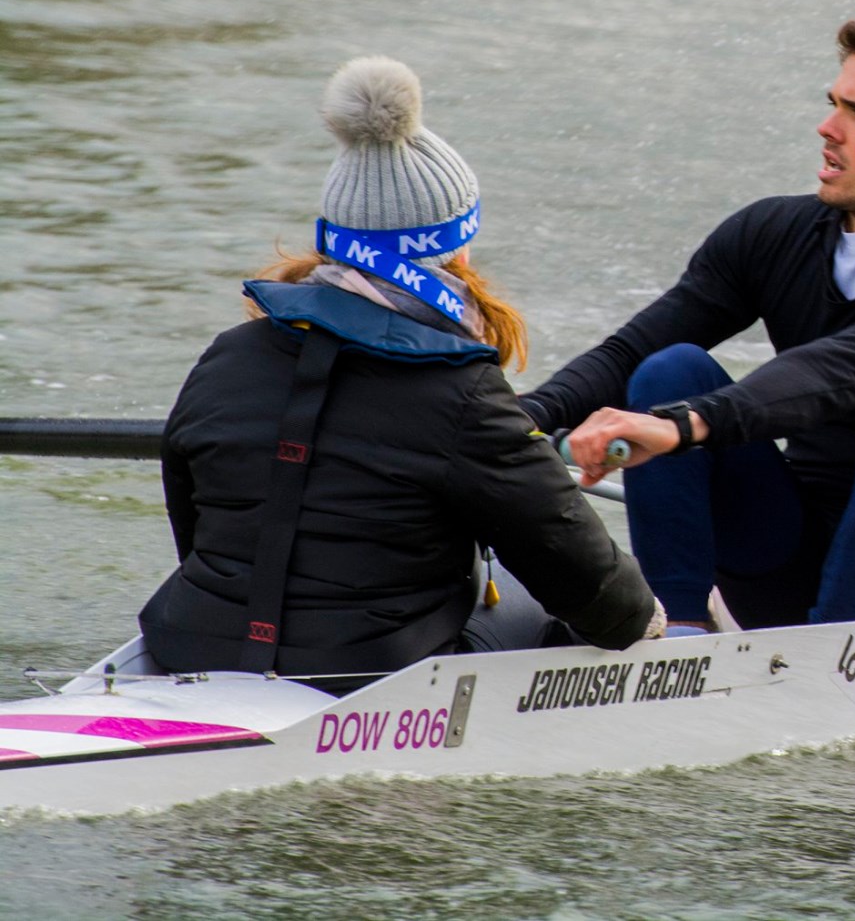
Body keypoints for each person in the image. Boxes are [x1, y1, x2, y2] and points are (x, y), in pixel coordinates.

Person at [141, 57, 660, 688]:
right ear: (455, 252)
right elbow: (593, 589)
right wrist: (647, 621)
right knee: (527, 593)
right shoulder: (462, 391)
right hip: (365, 673)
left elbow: (192, 528)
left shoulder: (229, 354)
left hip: (191, 642)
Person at [534, 10, 855, 634]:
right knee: (669, 369)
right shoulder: (770, 234)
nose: (828, 128)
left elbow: (836, 370)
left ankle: (833, 652)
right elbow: (628, 352)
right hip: (791, 561)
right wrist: (517, 421)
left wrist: (682, 426)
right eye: (833, 104)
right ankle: (676, 633)